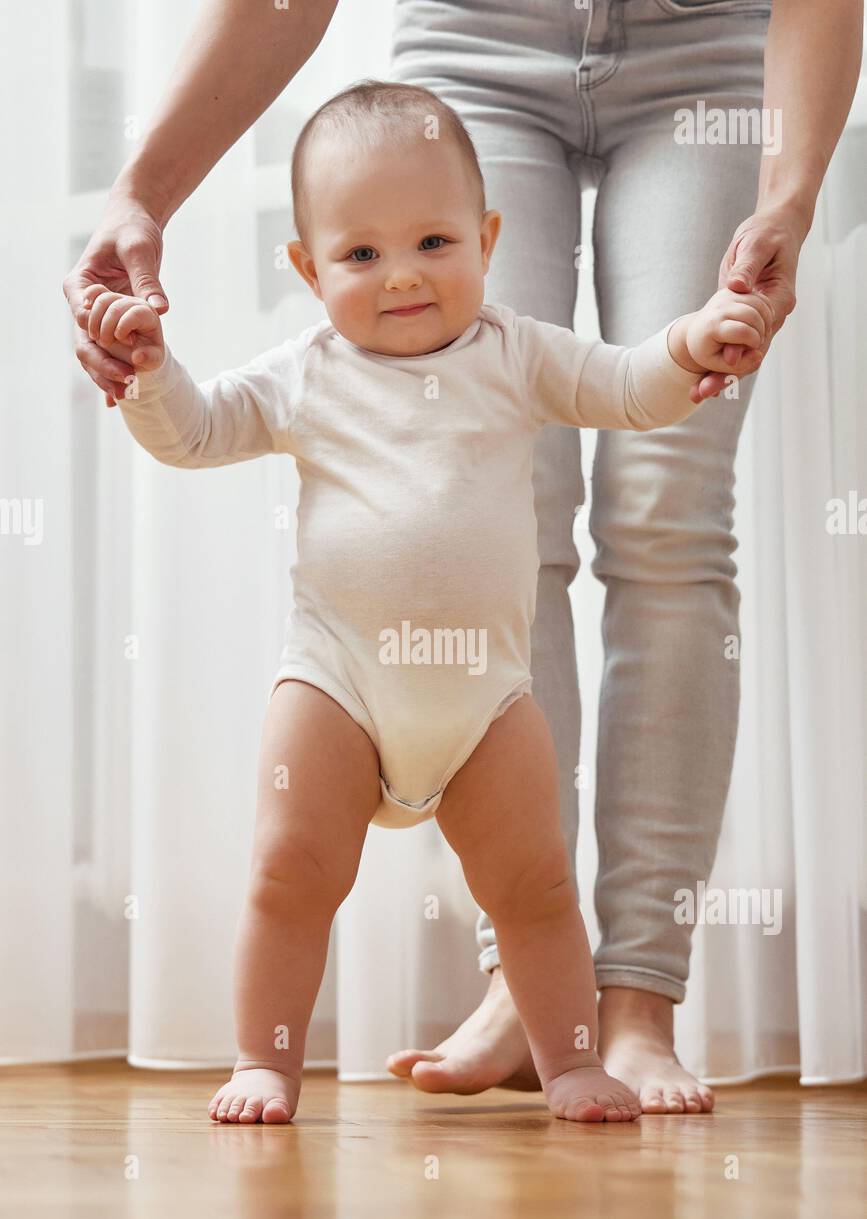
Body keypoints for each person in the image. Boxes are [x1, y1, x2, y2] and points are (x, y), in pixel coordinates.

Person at [64, 0, 864, 1114]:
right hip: (479, 52)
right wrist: (142, 269)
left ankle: (624, 1011)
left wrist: (727, 290)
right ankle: (459, 1015)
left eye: (436, 245)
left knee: (668, 505)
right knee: (295, 866)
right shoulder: (302, 368)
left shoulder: (514, 350)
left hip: (708, 54)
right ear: (308, 270)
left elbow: (628, 382)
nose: (401, 276)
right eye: (361, 255)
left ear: (480, 241)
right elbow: (194, 431)